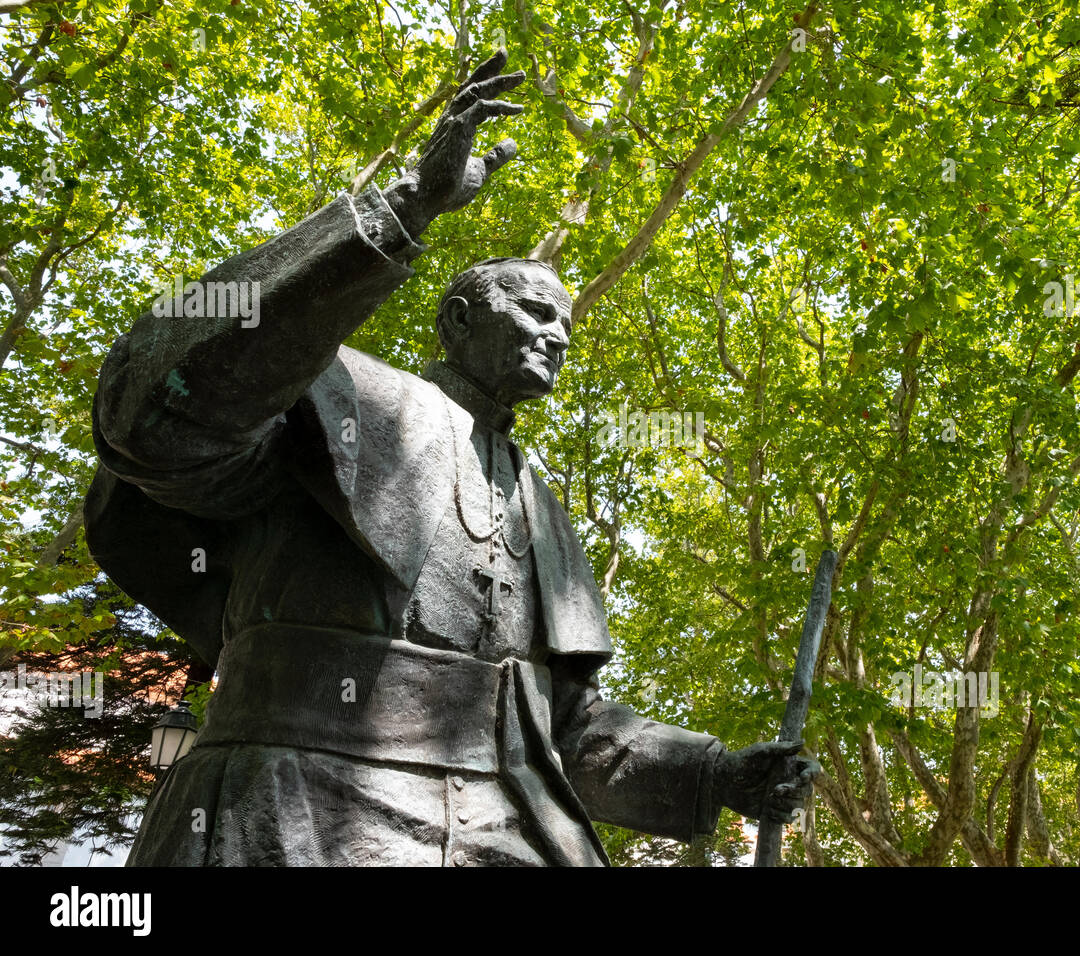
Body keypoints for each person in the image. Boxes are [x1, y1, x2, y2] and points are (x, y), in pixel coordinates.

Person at [86, 51, 817, 866]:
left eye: (568, 326)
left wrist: (718, 774)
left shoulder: (540, 503)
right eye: (536, 311)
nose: (558, 335)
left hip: (512, 824)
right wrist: (406, 206)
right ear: (460, 318)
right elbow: (153, 416)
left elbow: (564, 730)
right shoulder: (338, 398)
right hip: (301, 805)